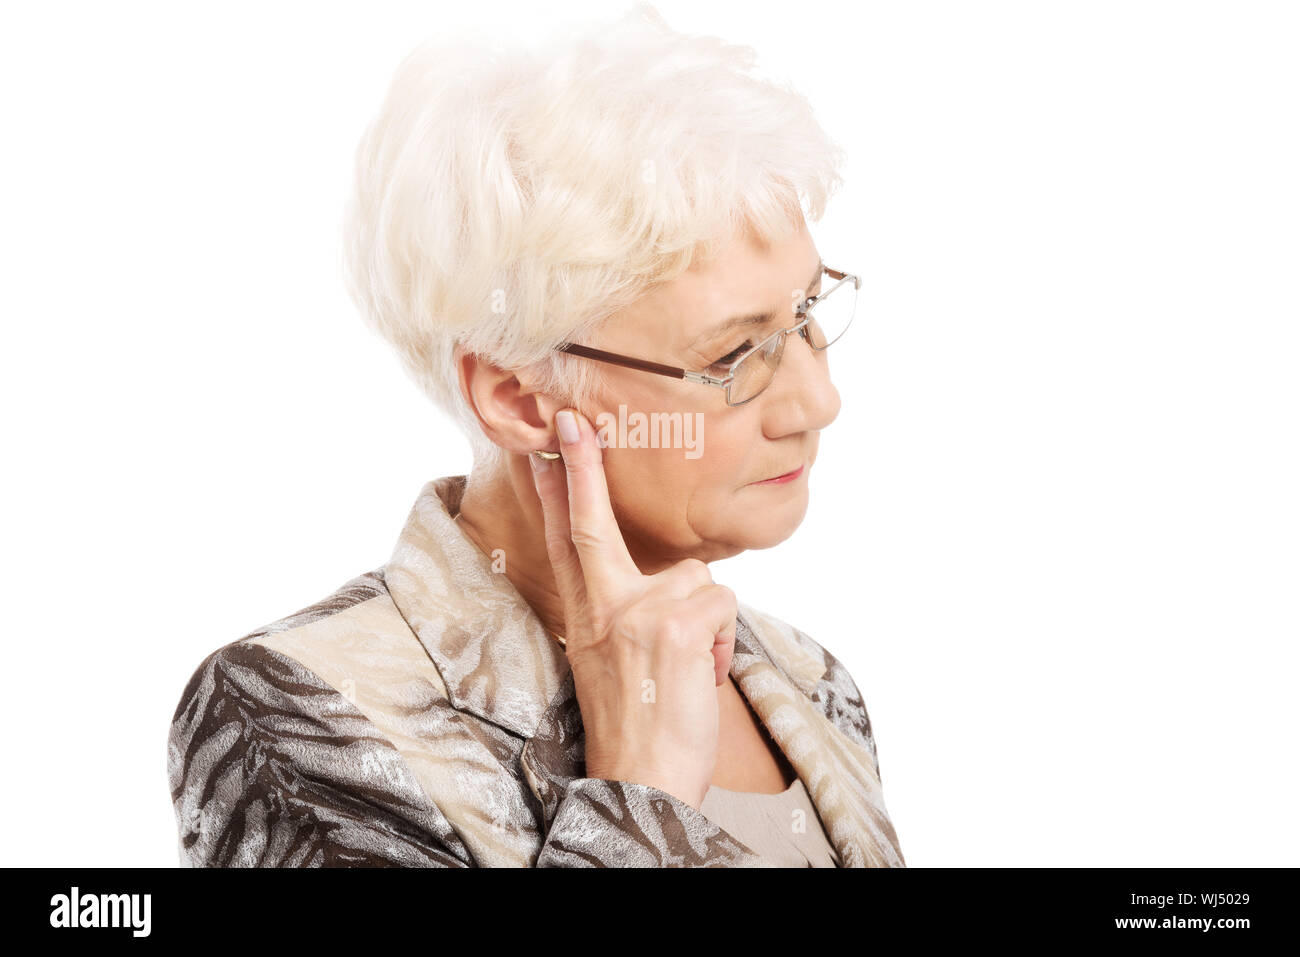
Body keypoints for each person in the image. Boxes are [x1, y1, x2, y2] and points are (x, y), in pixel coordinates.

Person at [166, 2, 905, 867]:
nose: (817, 400)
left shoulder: (808, 681)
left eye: (808, 313)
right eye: (737, 353)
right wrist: (644, 797)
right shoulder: (304, 710)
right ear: (519, 397)